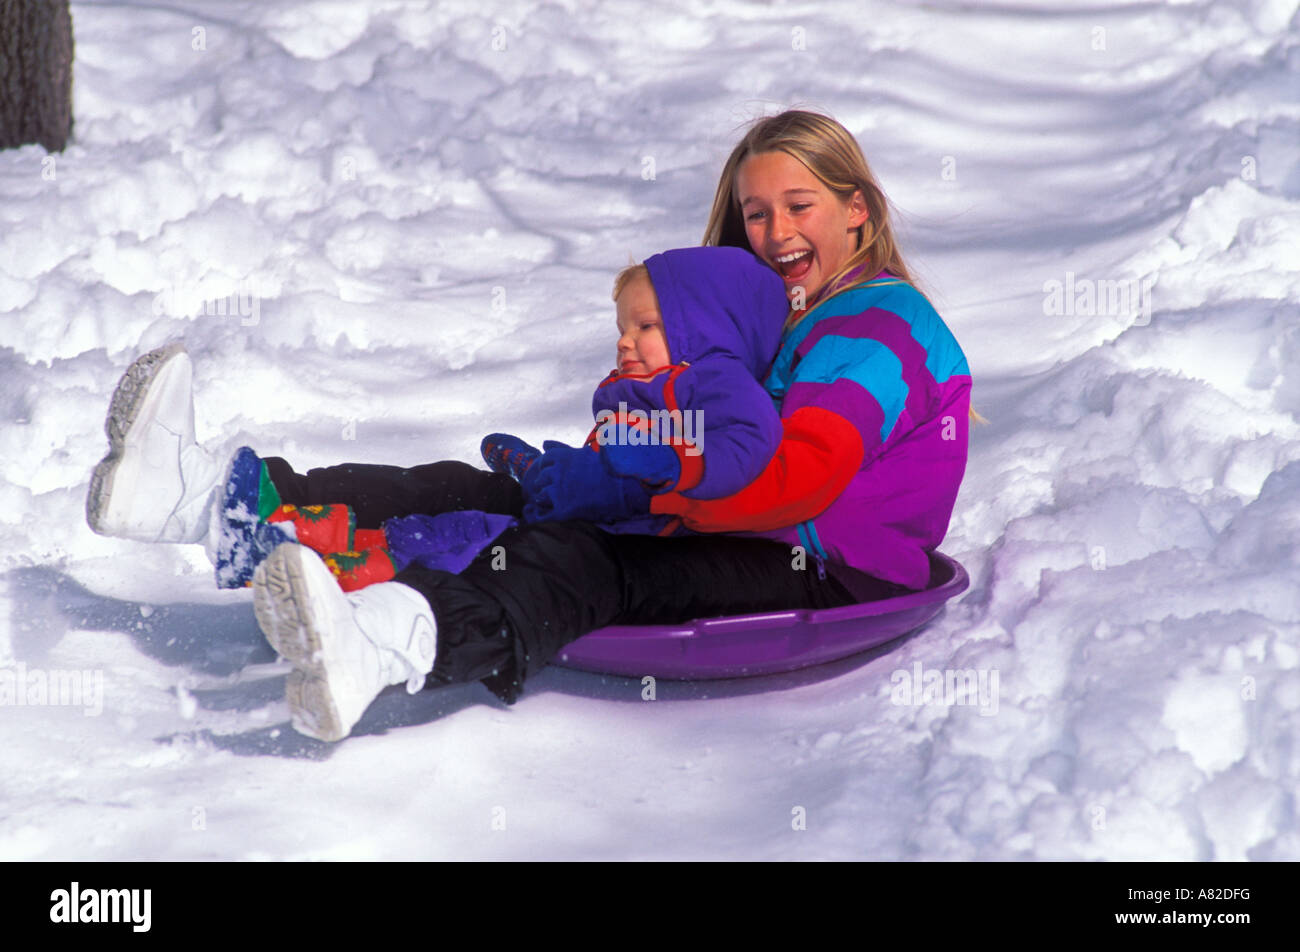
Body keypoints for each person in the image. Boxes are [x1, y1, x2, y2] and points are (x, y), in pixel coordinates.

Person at [86, 109, 972, 742]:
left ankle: (392, 642)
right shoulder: (787, 328)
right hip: (741, 525)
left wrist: (646, 490)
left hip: (821, 566)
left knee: (574, 557)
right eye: (755, 212)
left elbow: (800, 479)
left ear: (859, 209)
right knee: (482, 490)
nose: (775, 231)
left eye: (800, 205)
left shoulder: (874, 327)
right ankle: (215, 504)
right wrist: (600, 472)